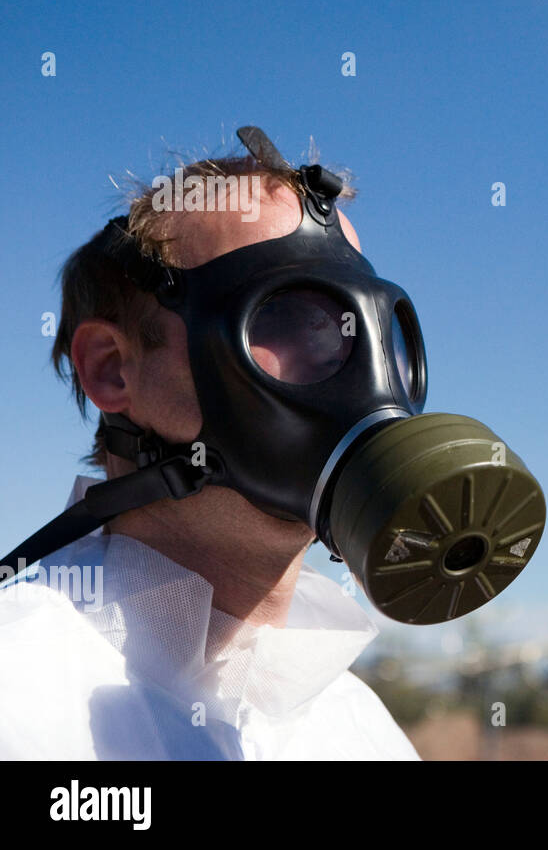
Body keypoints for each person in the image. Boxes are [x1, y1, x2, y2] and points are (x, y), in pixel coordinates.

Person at [0, 135, 423, 759]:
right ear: (113, 369)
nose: (361, 377)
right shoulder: (22, 696)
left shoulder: (361, 731)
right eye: (291, 319)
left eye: (367, 334)